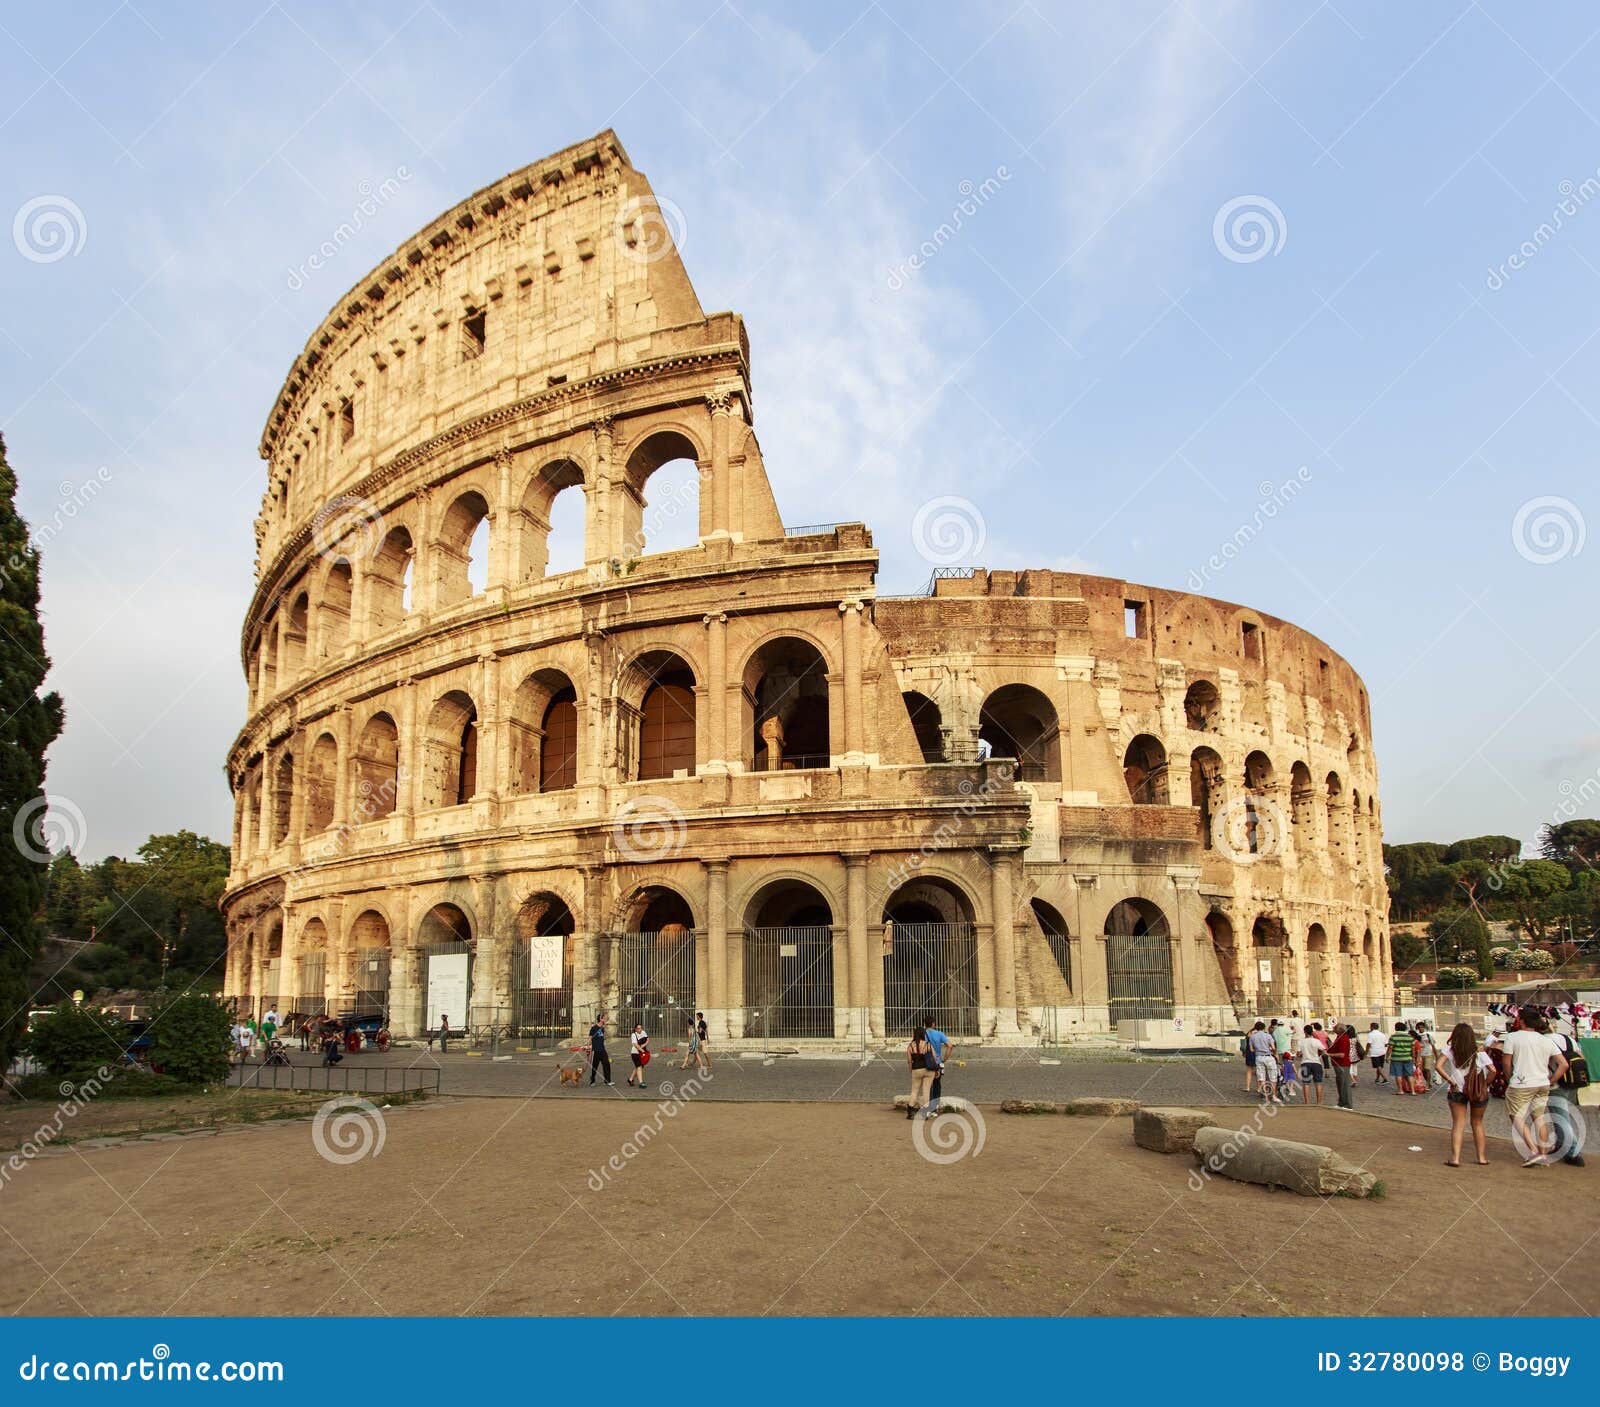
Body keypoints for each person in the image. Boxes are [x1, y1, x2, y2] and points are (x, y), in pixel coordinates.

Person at [1501, 1011, 1568, 1167]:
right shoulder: (1546, 1040)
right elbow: (1563, 1064)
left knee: (1516, 1116)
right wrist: (1552, 1080)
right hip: (1542, 1082)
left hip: (1521, 1083)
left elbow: (1506, 1063)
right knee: (1539, 1118)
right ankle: (1543, 1154)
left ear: (1521, 1021)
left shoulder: (1512, 1037)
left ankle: (1533, 1151)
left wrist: (1510, 1078)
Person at [1435, 1021, 1494, 1167]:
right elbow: (1493, 1070)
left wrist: (1451, 1081)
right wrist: (1485, 1084)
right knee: (1478, 1123)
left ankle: (1455, 1158)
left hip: (1457, 1090)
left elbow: (1438, 1066)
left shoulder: (1450, 1050)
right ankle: (1481, 1157)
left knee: (1458, 1124)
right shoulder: (1480, 1052)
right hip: (1478, 1091)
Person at [1548, 1024, 1589, 1167]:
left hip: (1556, 1083)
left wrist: (1551, 1080)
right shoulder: (1569, 1039)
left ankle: (1573, 1153)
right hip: (1573, 1083)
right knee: (1562, 1116)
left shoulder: (1545, 1040)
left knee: (1561, 1118)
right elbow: (1582, 1058)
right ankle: (1560, 1145)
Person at [905, 1025, 938, 1119]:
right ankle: (925, 1114)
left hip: (917, 1069)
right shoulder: (928, 1044)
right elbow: (935, 1057)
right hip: (928, 1070)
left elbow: (909, 1060)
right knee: (926, 1091)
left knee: (914, 1091)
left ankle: (910, 1112)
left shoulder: (911, 1046)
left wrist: (911, 1070)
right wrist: (937, 1069)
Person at [1247, 1021, 1280, 1104]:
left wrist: (1258, 1049)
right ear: (1264, 1028)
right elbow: (1273, 1047)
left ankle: (1265, 1096)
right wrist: (1274, 1053)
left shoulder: (1252, 1037)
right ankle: (1274, 1096)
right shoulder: (1268, 1036)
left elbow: (1251, 1049)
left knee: (1261, 1077)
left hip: (1259, 1057)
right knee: (1273, 1077)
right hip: (1268, 1056)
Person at [924, 1019, 951, 1116]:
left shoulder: (922, 1034)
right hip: (938, 1062)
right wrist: (945, 1058)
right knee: (937, 1085)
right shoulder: (939, 1034)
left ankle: (928, 1108)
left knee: (927, 1086)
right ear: (933, 1024)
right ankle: (934, 1108)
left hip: (926, 1062)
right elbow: (949, 1045)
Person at [1328, 1023, 1356, 1109]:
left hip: (1342, 1064)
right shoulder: (1339, 1037)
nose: (1333, 1028)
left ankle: (1348, 1104)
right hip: (1338, 1064)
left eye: (1335, 1027)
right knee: (1340, 1084)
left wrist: (1329, 1054)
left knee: (1345, 1084)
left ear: (1340, 1029)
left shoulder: (1343, 1039)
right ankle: (1341, 1102)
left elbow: (1341, 1054)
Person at [1297, 1024, 1325, 1105]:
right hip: (1316, 1062)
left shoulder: (1301, 1041)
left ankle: (1307, 1102)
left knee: (1306, 1083)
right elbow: (1323, 1050)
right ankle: (1319, 1103)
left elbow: (1298, 1053)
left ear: (1304, 1032)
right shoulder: (1316, 1041)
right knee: (1318, 1083)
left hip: (1305, 1063)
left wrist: (1300, 1054)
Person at [1387, 1021, 1416, 1094]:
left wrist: (1387, 1057)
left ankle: (1400, 1090)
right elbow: (1413, 1049)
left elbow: (1390, 1048)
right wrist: (1413, 1058)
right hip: (1408, 1058)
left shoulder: (1393, 1037)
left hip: (1396, 1058)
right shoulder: (1410, 1037)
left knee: (1398, 1074)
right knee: (1410, 1074)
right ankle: (1413, 1091)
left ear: (1396, 1028)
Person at [588, 1014, 612, 1085]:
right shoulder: (594, 1028)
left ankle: (607, 1081)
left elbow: (603, 1037)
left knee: (606, 1064)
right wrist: (588, 1047)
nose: (605, 1020)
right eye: (604, 1018)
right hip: (596, 1050)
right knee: (595, 1066)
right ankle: (592, 1080)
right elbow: (590, 1038)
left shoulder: (603, 1028)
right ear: (600, 1019)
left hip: (602, 1049)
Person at [627, 1022, 649, 1088]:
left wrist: (643, 1045)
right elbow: (636, 1045)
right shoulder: (633, 1035)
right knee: (639, 1067)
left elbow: (647, 1039)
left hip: (641, 1052)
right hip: (635, 1053)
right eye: (638, 1028)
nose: (640, 1030)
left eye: (640, 1028)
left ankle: (630, 1079)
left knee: (639, 1067)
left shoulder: (643, 1032)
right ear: (635, 1029)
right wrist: (643, 1051)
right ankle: (641, 1083)